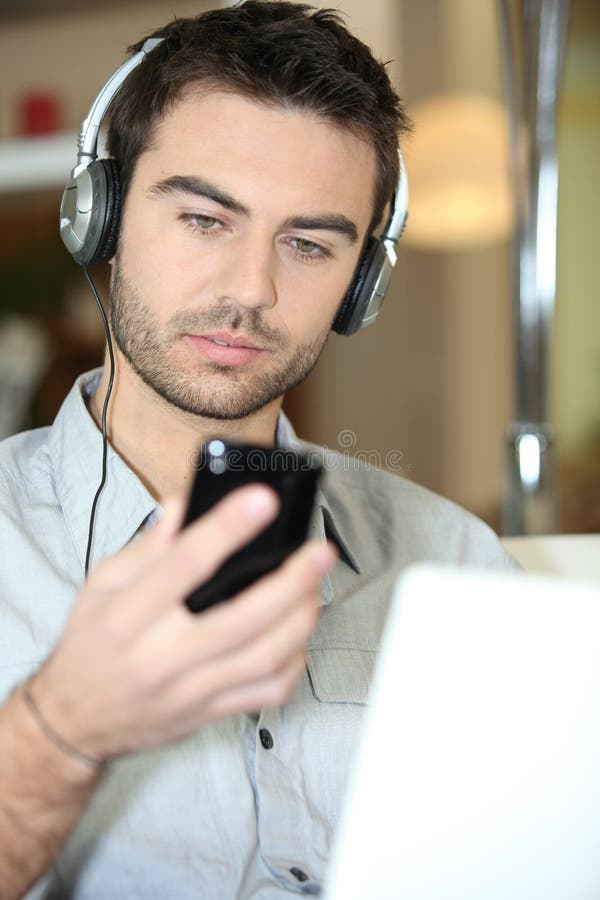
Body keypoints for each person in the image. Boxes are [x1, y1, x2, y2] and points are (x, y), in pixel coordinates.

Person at [0, 3, 516, 898]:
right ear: (102, 218)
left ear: (361, 288)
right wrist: (59, 729)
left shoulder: (456, 561)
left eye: (310, 243)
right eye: (205, 220)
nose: (252, 289)